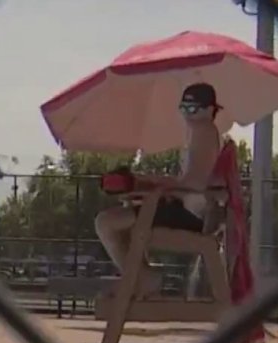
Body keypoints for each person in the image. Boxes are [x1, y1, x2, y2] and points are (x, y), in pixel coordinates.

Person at [93, 82, 224, 295]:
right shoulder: (200, 132)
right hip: (189, 208)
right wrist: (147, 182)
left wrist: (154, 183)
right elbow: (190, 180)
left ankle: (144, 278)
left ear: (210, 110)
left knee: (106, 222)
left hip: (191, 215)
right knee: (116, 223)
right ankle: (142, 277)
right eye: (183, 108)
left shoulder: (204, 130)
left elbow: (194, 183)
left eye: (193, 109)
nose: (187, 115)